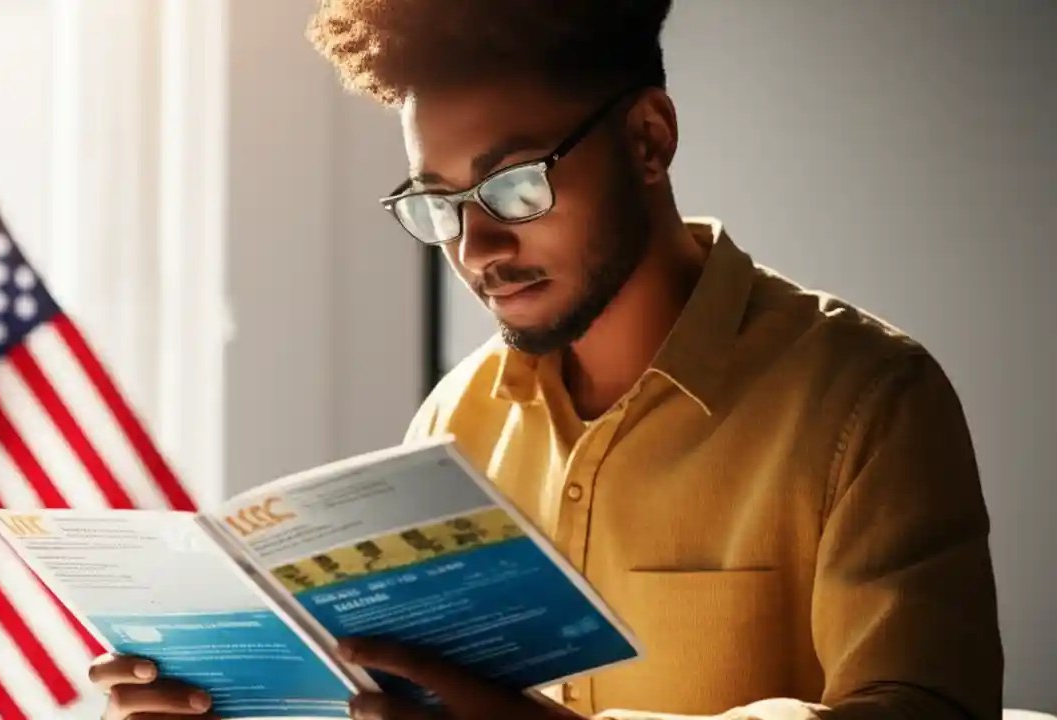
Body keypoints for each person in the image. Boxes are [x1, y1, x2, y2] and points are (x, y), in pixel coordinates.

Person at [89, 1, 1005, 718]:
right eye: (438, 201)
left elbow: (926, 710)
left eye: (517, 184)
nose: (476, 245)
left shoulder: (866, 400)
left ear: (649, 139)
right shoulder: (457, 421)